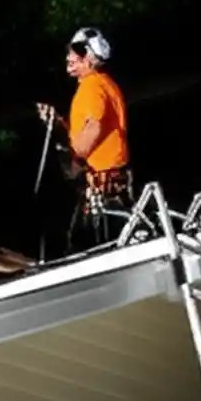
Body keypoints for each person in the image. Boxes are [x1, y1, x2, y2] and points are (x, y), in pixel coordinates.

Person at [36, 27, 130, 250]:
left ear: (90, 56)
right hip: (111, 184)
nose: (69, 57)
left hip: (102, 188)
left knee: (91, 249)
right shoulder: (105, 84)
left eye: (76, 51)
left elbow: (94, 127)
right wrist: (59, 126)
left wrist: (73, 157)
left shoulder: (92, 85)